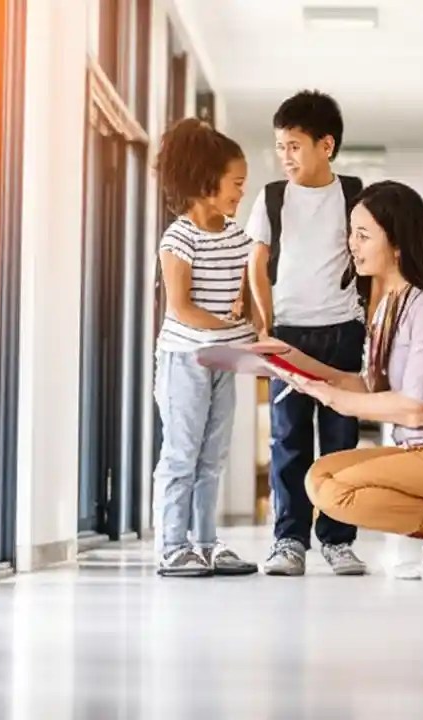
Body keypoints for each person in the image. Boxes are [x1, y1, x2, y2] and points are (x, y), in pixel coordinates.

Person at [254, 180, 423, 582]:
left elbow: (413, 407)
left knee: (337, 492)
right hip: (421, 455)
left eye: (363, 234)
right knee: (318, 478)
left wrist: (331, 397)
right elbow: (368, 388)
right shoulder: (388, 304)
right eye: (351, 232)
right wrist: (290, 360)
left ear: (398, 243)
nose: (351, 244)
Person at [243, 90, 368, 576]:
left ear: (326, 145)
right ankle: (288, 540)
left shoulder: (355, 195)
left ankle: (338, 540)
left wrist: (372, 325)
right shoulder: (273, 197)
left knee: (340, 441)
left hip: (342, 332)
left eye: (294, 145)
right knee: (288, 440)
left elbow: (367, 262)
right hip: (289, 334)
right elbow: (257, 262)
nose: (286, 156)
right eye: (280, 146)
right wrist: (266, 323)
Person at [151, 118, 261, 578]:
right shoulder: (179, 238)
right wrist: (237, 333)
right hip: (184, 360)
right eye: (236, 184)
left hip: (222, 359)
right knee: (181, 453)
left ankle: (206, 543)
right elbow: (180, 309)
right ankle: (172, 546)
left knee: (212, 455)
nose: (241, 193)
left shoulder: (238, 238)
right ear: (205, 183)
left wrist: (248, 318)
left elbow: (246, 297)